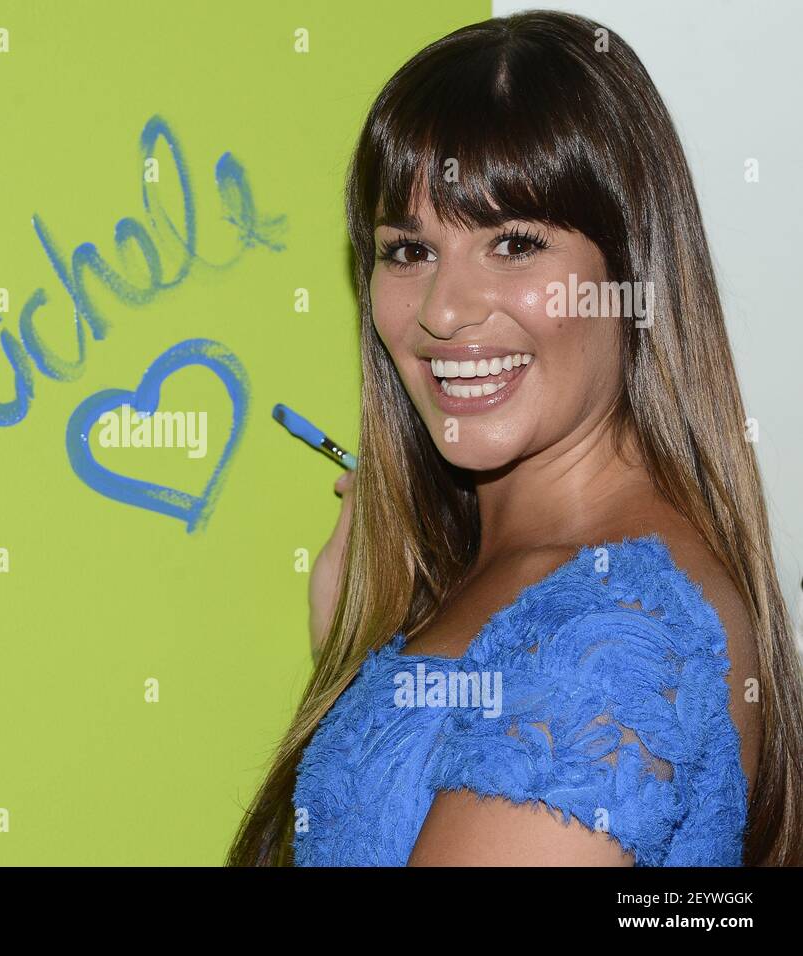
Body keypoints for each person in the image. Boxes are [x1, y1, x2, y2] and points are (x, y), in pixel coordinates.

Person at [228, 9, 803, 866]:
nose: (443, 310)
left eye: (513, 243)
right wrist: (358, 649)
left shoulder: (618, 632)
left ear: (631, 274)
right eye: (408, 251)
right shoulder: (507, 578)